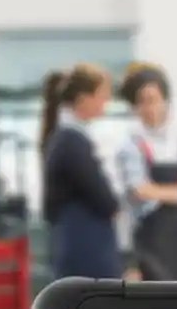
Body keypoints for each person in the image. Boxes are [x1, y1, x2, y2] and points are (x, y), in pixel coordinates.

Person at [115, 62, 177, 281]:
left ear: (166, 100)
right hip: (149, 236)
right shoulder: (131, 143)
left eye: (153, 100)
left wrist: (159, 192)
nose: (149, 108)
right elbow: (139, 191)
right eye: (141, 102)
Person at [40, 63, 123, 280]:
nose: (105, 103)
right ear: (84, 98)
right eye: (102, 96)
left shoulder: (69, 138)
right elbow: (102, 197)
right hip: (85, 243)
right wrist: (116, 207)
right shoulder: (72, 142)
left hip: (79, 239)